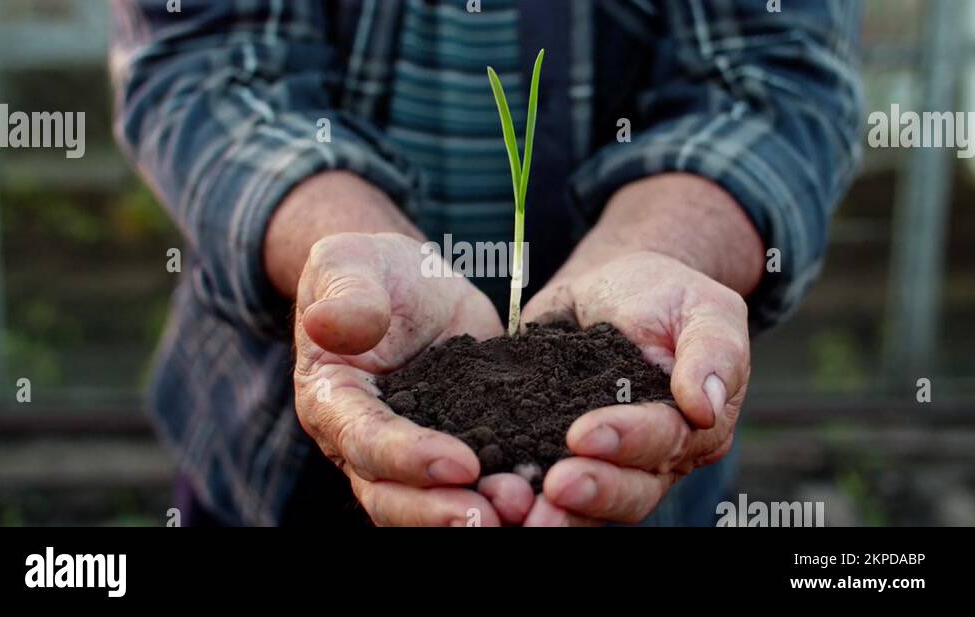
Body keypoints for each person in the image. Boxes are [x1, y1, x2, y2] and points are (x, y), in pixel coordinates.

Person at [110, 0, 862, 526]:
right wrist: (335, 242)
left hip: (639, 483)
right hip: (264, 455)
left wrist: (657, 249)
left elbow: (774, 80)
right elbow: (201, 65)